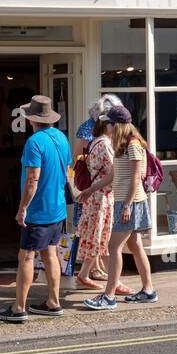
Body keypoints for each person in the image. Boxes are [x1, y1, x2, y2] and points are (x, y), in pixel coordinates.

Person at [0, 95, 70, 323]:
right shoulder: (61, 137)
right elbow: (67, 171)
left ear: (31, 119)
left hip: (38, 210)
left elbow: (32, 179)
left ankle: (19, 308)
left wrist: (22, 208)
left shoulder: (34, 142)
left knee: (26, 256)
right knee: (50, 253)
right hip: (57, 208)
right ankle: (53, 302)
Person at [83, 107, 158, 311]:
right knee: (135, 246)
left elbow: (136, 178)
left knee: (113, 247)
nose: (107, 127)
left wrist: (126, 205)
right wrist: (90, 189)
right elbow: (113, 176)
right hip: (127, 202)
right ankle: (148, 290)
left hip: (130, 203)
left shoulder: (133, 145)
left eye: (109, 124)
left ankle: (108, 297)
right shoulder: (122, 145)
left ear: (117, 125)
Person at [73, 115, 134, 294]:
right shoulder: (105, 144)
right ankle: (113, 282)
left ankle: (86, 274)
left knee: (99, 238)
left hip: (97, 196)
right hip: (102, 197)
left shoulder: (95, 142)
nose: (117, 128)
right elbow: (116, 171)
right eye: (114, 124)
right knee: (104, 238)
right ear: (108, 126)